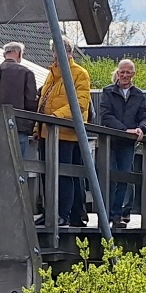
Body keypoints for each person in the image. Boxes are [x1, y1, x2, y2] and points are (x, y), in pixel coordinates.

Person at [36, 44, 94, 226]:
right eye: (55, 50)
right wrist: (37, 128)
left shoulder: (80, 74)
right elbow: (43, 102)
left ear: (70, 52)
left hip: (66, 133)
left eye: (62, 50)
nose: (57, 54)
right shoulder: (52, 74)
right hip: (47, 132)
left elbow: (80, 103)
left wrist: (56, 116)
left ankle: (63, 214)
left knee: (64, 174)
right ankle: (50, 212)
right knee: (46, 174)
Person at [93, 58, 146, 223]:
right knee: (109, 176)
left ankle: (117, 213)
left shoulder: (138, 94)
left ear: (133, 74)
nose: (125, 75)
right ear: (118, 73)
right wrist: (125, 130)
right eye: (122, 72)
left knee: (124, 177)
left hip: (127, 143)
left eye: (128, 72)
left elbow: (144, 116)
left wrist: (141, 128)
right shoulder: (108, 92)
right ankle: (107, 213)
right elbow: (106, 116)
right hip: (110, 141)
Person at [0, 42, 40, 165]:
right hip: (19, 126)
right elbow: (30, 102)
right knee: (20, 165)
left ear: (4, 55)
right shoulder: (26, 73)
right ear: (19, 54)